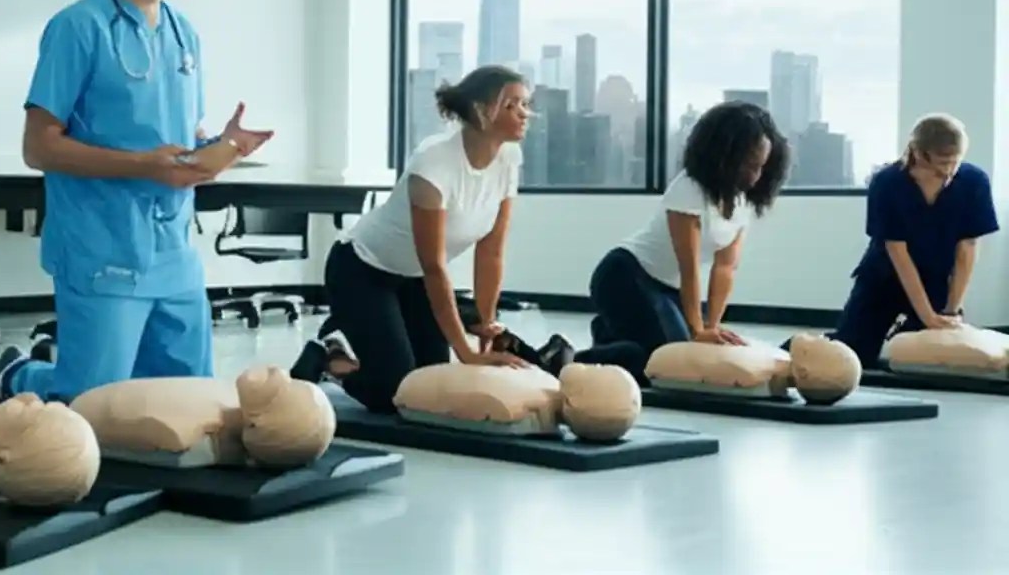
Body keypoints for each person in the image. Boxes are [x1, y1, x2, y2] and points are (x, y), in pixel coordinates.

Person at [0, 0, 272, 404]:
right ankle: (21, 376)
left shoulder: (185, 36)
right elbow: (39, 146)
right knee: (94, 406)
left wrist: (221, 145)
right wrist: (145, 166)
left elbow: (179, 134)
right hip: (101, 249)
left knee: (189, 403)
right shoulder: (78, 28)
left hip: (174, 252)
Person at [289, 65, 534, 414]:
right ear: (481, 111)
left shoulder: (509, 159)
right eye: (513, 105)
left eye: (526, 104)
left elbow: (491, 253)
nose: (525, 114)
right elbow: (434, 266)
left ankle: (353, 337)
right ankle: (332, 358)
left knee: (428, 386)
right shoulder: (433, 164)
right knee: (396, 391)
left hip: (413, 280)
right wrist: (464, 352)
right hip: (362, 269)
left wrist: (486, 333)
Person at [562, 100, 790, 385]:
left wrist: (711, 327)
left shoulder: (743, 201)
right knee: (664, 362)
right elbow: (689, 266)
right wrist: (696, 330)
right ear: (724, 156)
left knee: (683, 357)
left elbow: (725, 269)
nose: (754, 176)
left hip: (670, 291)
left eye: (760, 167)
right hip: (626, 275)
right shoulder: (690, 188)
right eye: (748, 165)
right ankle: (569, 359)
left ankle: (610, 333)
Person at [819, 113, 998, 368]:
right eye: (941, 163)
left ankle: (905, 331)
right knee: (854, 353)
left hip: (936, 280)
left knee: (924, 356)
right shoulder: (887, 183)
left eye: (954, 163)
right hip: (884, 277)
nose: (948, 172)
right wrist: (926, 315)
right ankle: (799, 348)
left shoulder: (974, 182)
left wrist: (950, 309)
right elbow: (897, 252)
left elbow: (967, 248)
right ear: (918, 153)